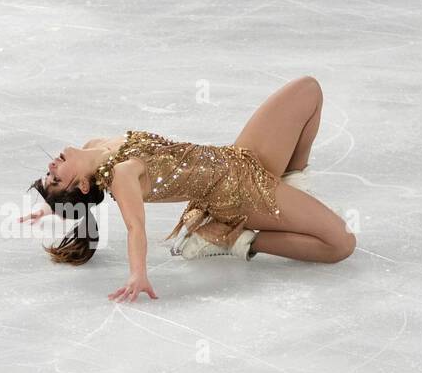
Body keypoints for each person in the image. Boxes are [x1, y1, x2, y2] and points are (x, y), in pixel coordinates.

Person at [22, 76, 355, 301]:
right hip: (239, 195)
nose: (51, 167)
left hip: (237, 158)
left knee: (308, 90)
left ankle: (293, 182)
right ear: (79, 183)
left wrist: (54, 205)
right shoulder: (121, 176)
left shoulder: (96, 147)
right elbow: (135, 228)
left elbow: (81, 197)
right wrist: (138, 274)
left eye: (49, 172)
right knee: (340, 244)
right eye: (55, 178)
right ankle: (232, 239)